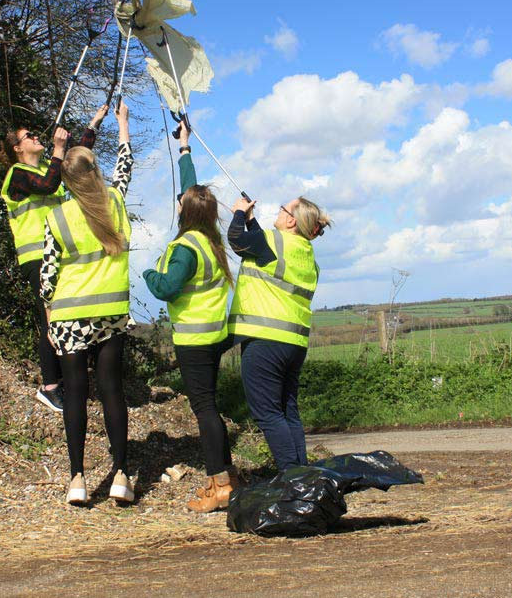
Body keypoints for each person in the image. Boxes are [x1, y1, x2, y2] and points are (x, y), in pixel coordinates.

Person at [141, 125, 241, 513]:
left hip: (195, 342)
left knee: (206, 411)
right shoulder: (210, 238)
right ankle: (227, 476)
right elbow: (193, 189)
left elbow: (166, 288)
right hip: (215, 336)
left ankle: (220, 486)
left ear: (184, 209)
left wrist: (149, 273)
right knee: (211, 406)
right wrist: (183, 147)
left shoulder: (185, 248)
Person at [40, 101, 135, 505]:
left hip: (69, 315)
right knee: (112, 391)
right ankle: (121, 475)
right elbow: (125, 166)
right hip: (111, 312)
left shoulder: (57, 216)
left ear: (65, 179)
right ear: (95, 172)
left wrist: (48, 312)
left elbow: (47, 276)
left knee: (76, 395)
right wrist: (123, 125)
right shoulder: (114, 200)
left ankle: (77, 479)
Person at [0, 105, 108, 414]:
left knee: (62, 315)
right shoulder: (17, 175)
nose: (35, 136)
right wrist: (59, 149)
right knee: (51, 318)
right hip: (36, 255)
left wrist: (93, 125)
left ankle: (64, 380)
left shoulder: (49, 167)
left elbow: (76, 162)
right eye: (28, 136)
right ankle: (49, 386)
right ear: (18, 148)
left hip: (57, 251)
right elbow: (48, 184)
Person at [226, 195, 332, 472]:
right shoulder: (305, 254)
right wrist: (252, 221)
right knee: (287, 412)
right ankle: (303, 475)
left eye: (282, 208)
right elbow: (264, 251)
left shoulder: (273, 242)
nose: (278, 210)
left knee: (268, 414)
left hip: (265, 340)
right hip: (293, 343)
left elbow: (236, 239)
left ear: (291, 219)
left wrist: (239, 215)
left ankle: (292, 478)